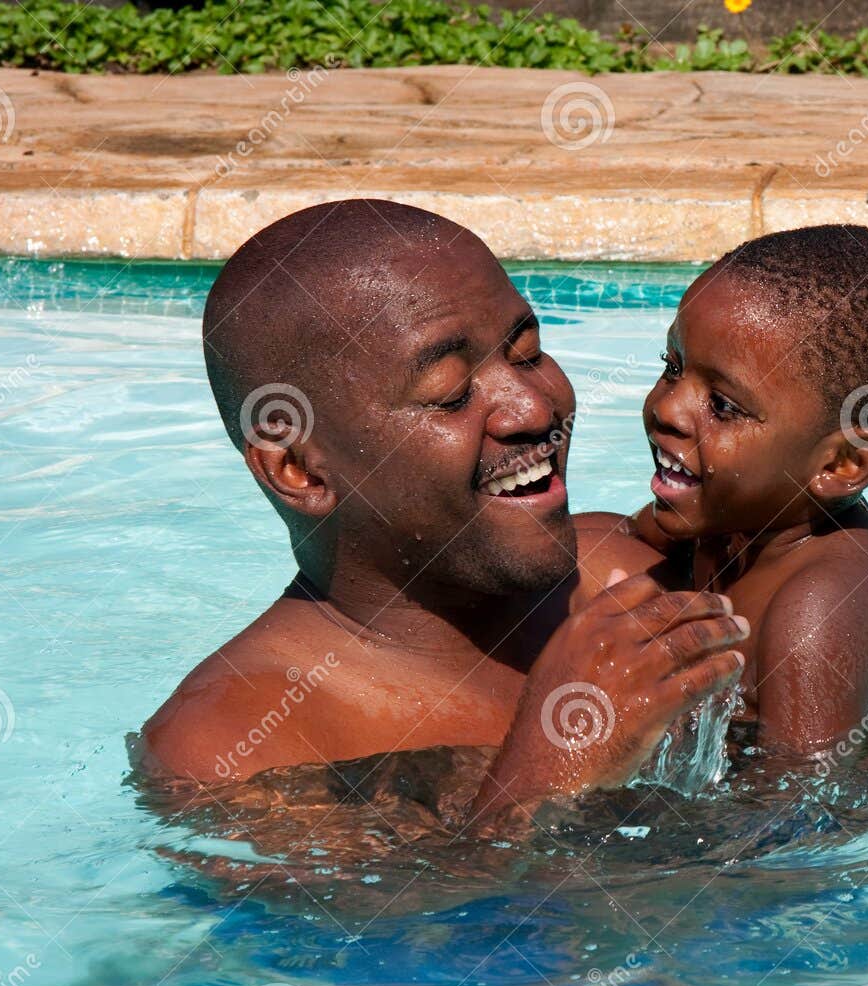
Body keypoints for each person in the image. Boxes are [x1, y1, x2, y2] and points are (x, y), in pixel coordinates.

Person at [138, 199, 746, 831]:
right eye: (451, 394)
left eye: (528, 353)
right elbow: (418, 931)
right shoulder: (229, 749)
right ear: (299, 469)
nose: (533, 409)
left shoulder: (632, 575)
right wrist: (550, 768)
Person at [623, 225, 868, 754]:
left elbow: (798, 816)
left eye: (723, 407)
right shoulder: (731, 519)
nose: (666, 409)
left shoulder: (816, 609)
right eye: (673, 368)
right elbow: (602, 541)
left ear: (842, 463)